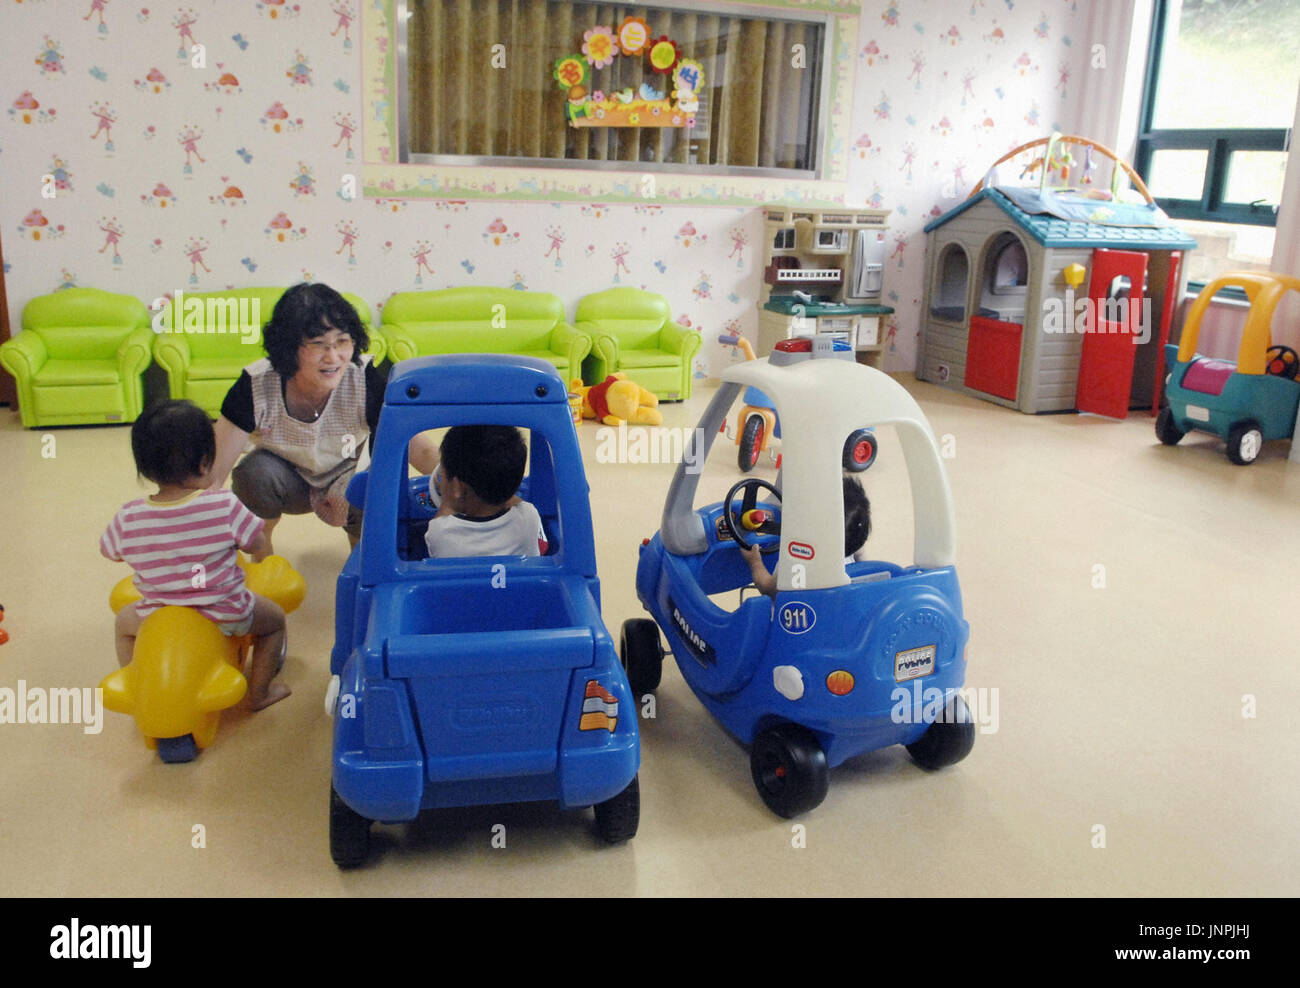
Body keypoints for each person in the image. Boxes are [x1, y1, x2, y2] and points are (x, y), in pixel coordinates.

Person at [206, 282, 438, 553]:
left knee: (372, 485)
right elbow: (214, 475)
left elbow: (417, 446)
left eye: (342, 341)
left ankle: (359, 556)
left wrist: (458, 483)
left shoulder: (363, 378)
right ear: (289, 347)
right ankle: (263, 552)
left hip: (347, 475)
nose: (333, 357)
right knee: (252, 474)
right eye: (318, 344)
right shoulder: (255, 384)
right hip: (288, 476)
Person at [101, 400, 290, 710]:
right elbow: (256, 543)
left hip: (157, 611)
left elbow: (110, 551)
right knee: (274, 622)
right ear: (205, 462)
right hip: (225, 611)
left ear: (145, 468)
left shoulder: (129, 517)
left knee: (123, 623)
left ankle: (138, 685)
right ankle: (259, 694)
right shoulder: (223, 505)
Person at [424, 425, 549, 558]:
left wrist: (447, 497)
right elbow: (508, 492)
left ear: (458, 487)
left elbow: (445, 511)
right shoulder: (529, 517)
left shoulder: (439, 533)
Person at [741, 476, 871, 598]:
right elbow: (863, 560)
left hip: (793, 617)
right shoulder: (849, 547)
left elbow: (767, 588)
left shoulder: (796, 565)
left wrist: (755, 562)